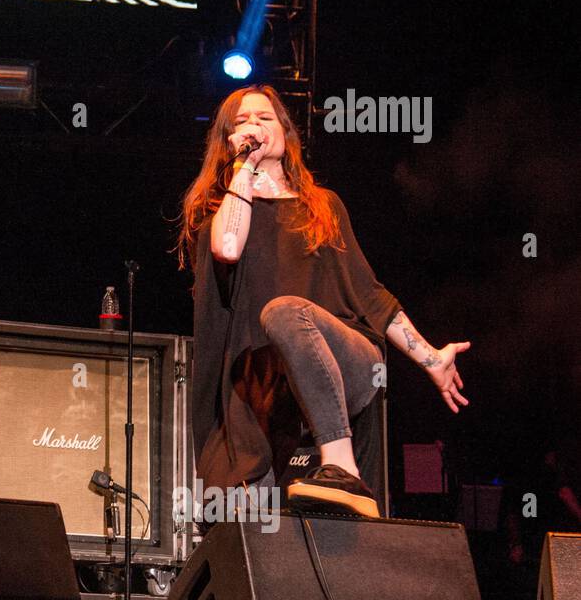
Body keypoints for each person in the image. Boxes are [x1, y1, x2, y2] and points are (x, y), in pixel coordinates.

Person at [177, 85, 470, 517]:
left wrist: (431, 359)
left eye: (265, 119)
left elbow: (370, 295)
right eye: (241, 123)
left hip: (345, 363)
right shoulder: (218, 212)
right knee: (246, 531)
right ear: (227, 142)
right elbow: (228, 248)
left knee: (285, 312)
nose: (254, 127)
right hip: (264, 386)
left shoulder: (323, 207)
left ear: (286, 133)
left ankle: (341, 465)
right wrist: (245, 168)